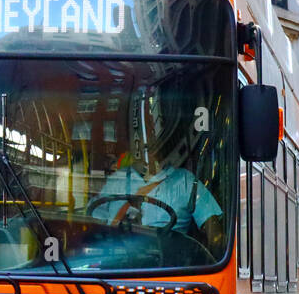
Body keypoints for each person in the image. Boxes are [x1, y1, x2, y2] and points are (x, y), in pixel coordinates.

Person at [89, 88, 224, 245]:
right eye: (142, 138)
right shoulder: (117, 180)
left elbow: (215, 235)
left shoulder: (185, 181)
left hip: (168, 265)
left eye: (152, 137)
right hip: (120, 263)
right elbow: (93, 226)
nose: (146, 146)